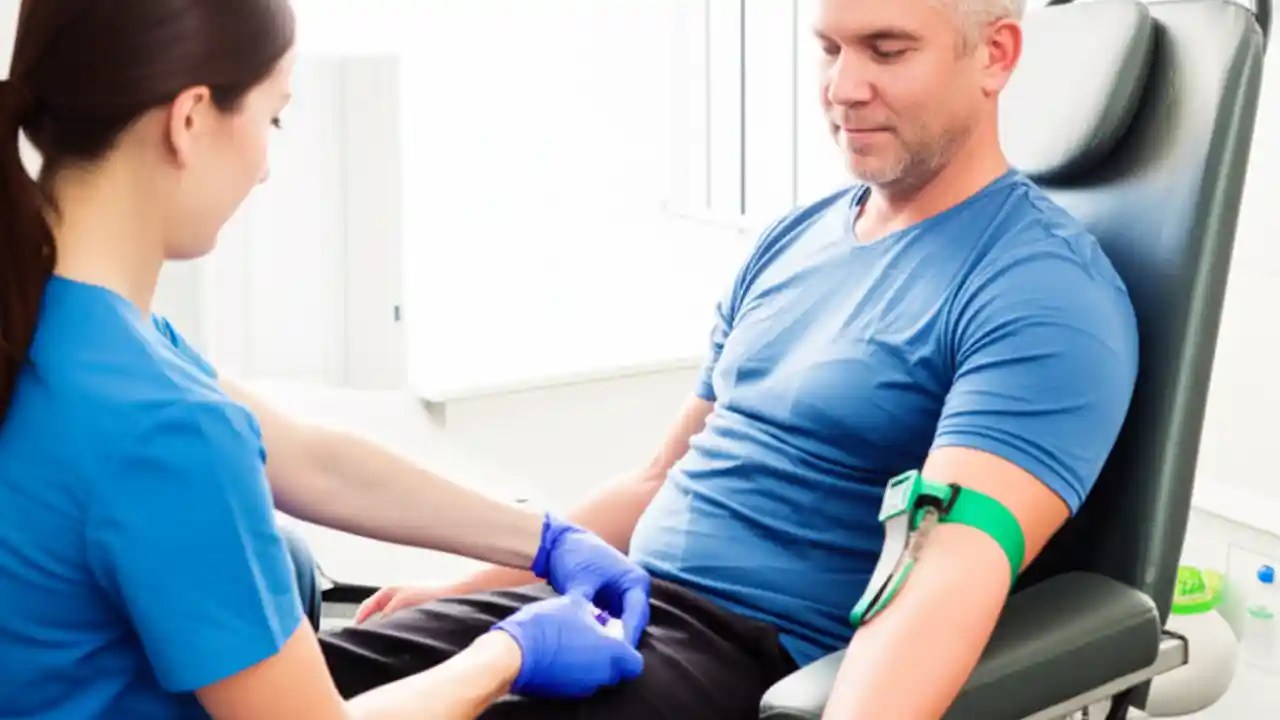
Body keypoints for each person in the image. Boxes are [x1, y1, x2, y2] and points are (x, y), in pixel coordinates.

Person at [320, 0, 1141, 718]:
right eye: (829, 48)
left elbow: (945, 576)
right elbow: (657, 481)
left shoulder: (1043, 294)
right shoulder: (798, 238)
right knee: (275, 686)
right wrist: (469, 590)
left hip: (742, 658)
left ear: (995, 55)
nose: (843, 87)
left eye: (887, 51)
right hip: (602, 605)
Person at [0, 1, 651, 718]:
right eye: (270, 119)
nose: (265, 169)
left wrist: (548, 540)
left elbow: (308, 461)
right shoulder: (161, 425)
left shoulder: (58, 322)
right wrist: (512, 653)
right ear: (188, 121)